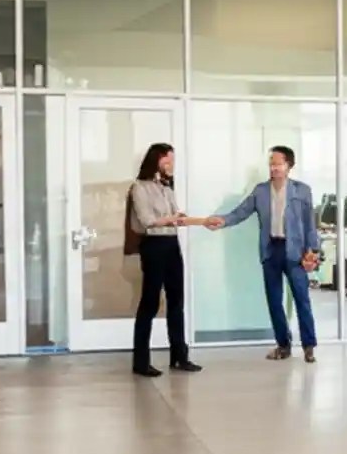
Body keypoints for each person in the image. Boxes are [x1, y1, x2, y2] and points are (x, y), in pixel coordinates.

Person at [206, 146, 324, 363]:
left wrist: (313, 251)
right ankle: (283, 345)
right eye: (271, 164)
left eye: (278, 164)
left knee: (302, 299)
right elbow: (241, 212)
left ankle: (309, 346)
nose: (274, 168)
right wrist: (221, 221)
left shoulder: (302, 191)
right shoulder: (260, 191)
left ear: (289, 166)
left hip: (296, 252)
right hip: (271, 250)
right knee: (274, 301)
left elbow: (310, 224)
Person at [128, 143, 203, 377]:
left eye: (173, 161)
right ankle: (141, 361)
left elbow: (174, 214)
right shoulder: (139, 187)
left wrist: (185, 218)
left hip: (171, 244)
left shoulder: (167, 187)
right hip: (153, 245)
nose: (171, 165)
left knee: (176, 301)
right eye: (167, 161)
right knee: (149, 303)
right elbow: (147, 220)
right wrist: (171, 218)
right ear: (156, 161)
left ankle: (179, 357)